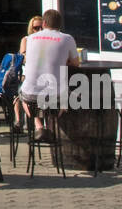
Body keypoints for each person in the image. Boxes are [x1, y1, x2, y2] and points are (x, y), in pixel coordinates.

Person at [19, 9, 79, 140]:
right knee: (63, 98)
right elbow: (76, 63)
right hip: (55, 95)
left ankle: (39, 126)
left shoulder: (30, 39)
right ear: (60, 24)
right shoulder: (67, 38)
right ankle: (51, 128)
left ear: (44, 23)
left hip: (31, 96)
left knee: (22, 94)